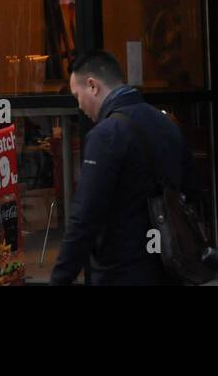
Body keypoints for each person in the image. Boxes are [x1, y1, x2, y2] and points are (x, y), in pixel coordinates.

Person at [50, 49, 199, 286]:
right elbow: (191, 188)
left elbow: (85, 216)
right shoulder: (166, 124)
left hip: (122, 268)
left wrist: (60, 278)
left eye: (77, 96)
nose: (79, 106)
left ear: (92, 86)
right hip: (170, 263)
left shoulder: (106, 135)